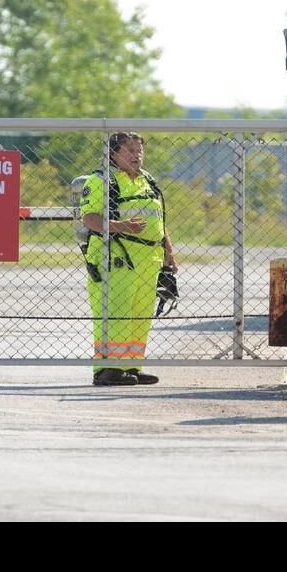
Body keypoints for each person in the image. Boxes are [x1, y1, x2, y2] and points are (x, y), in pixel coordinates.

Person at [79, 132, 177, 387]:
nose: (137, 155)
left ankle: (131, 365)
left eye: (139, 150)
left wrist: (169, 252)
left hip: (148, 260)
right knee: (116, 313)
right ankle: (108, 368)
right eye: (130, 150)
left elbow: (159, 219)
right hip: (116, 258)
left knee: (141, 315)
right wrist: (122, 226)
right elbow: (90, 219)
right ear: (113, 154)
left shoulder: (148, 180)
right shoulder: (102, 181)